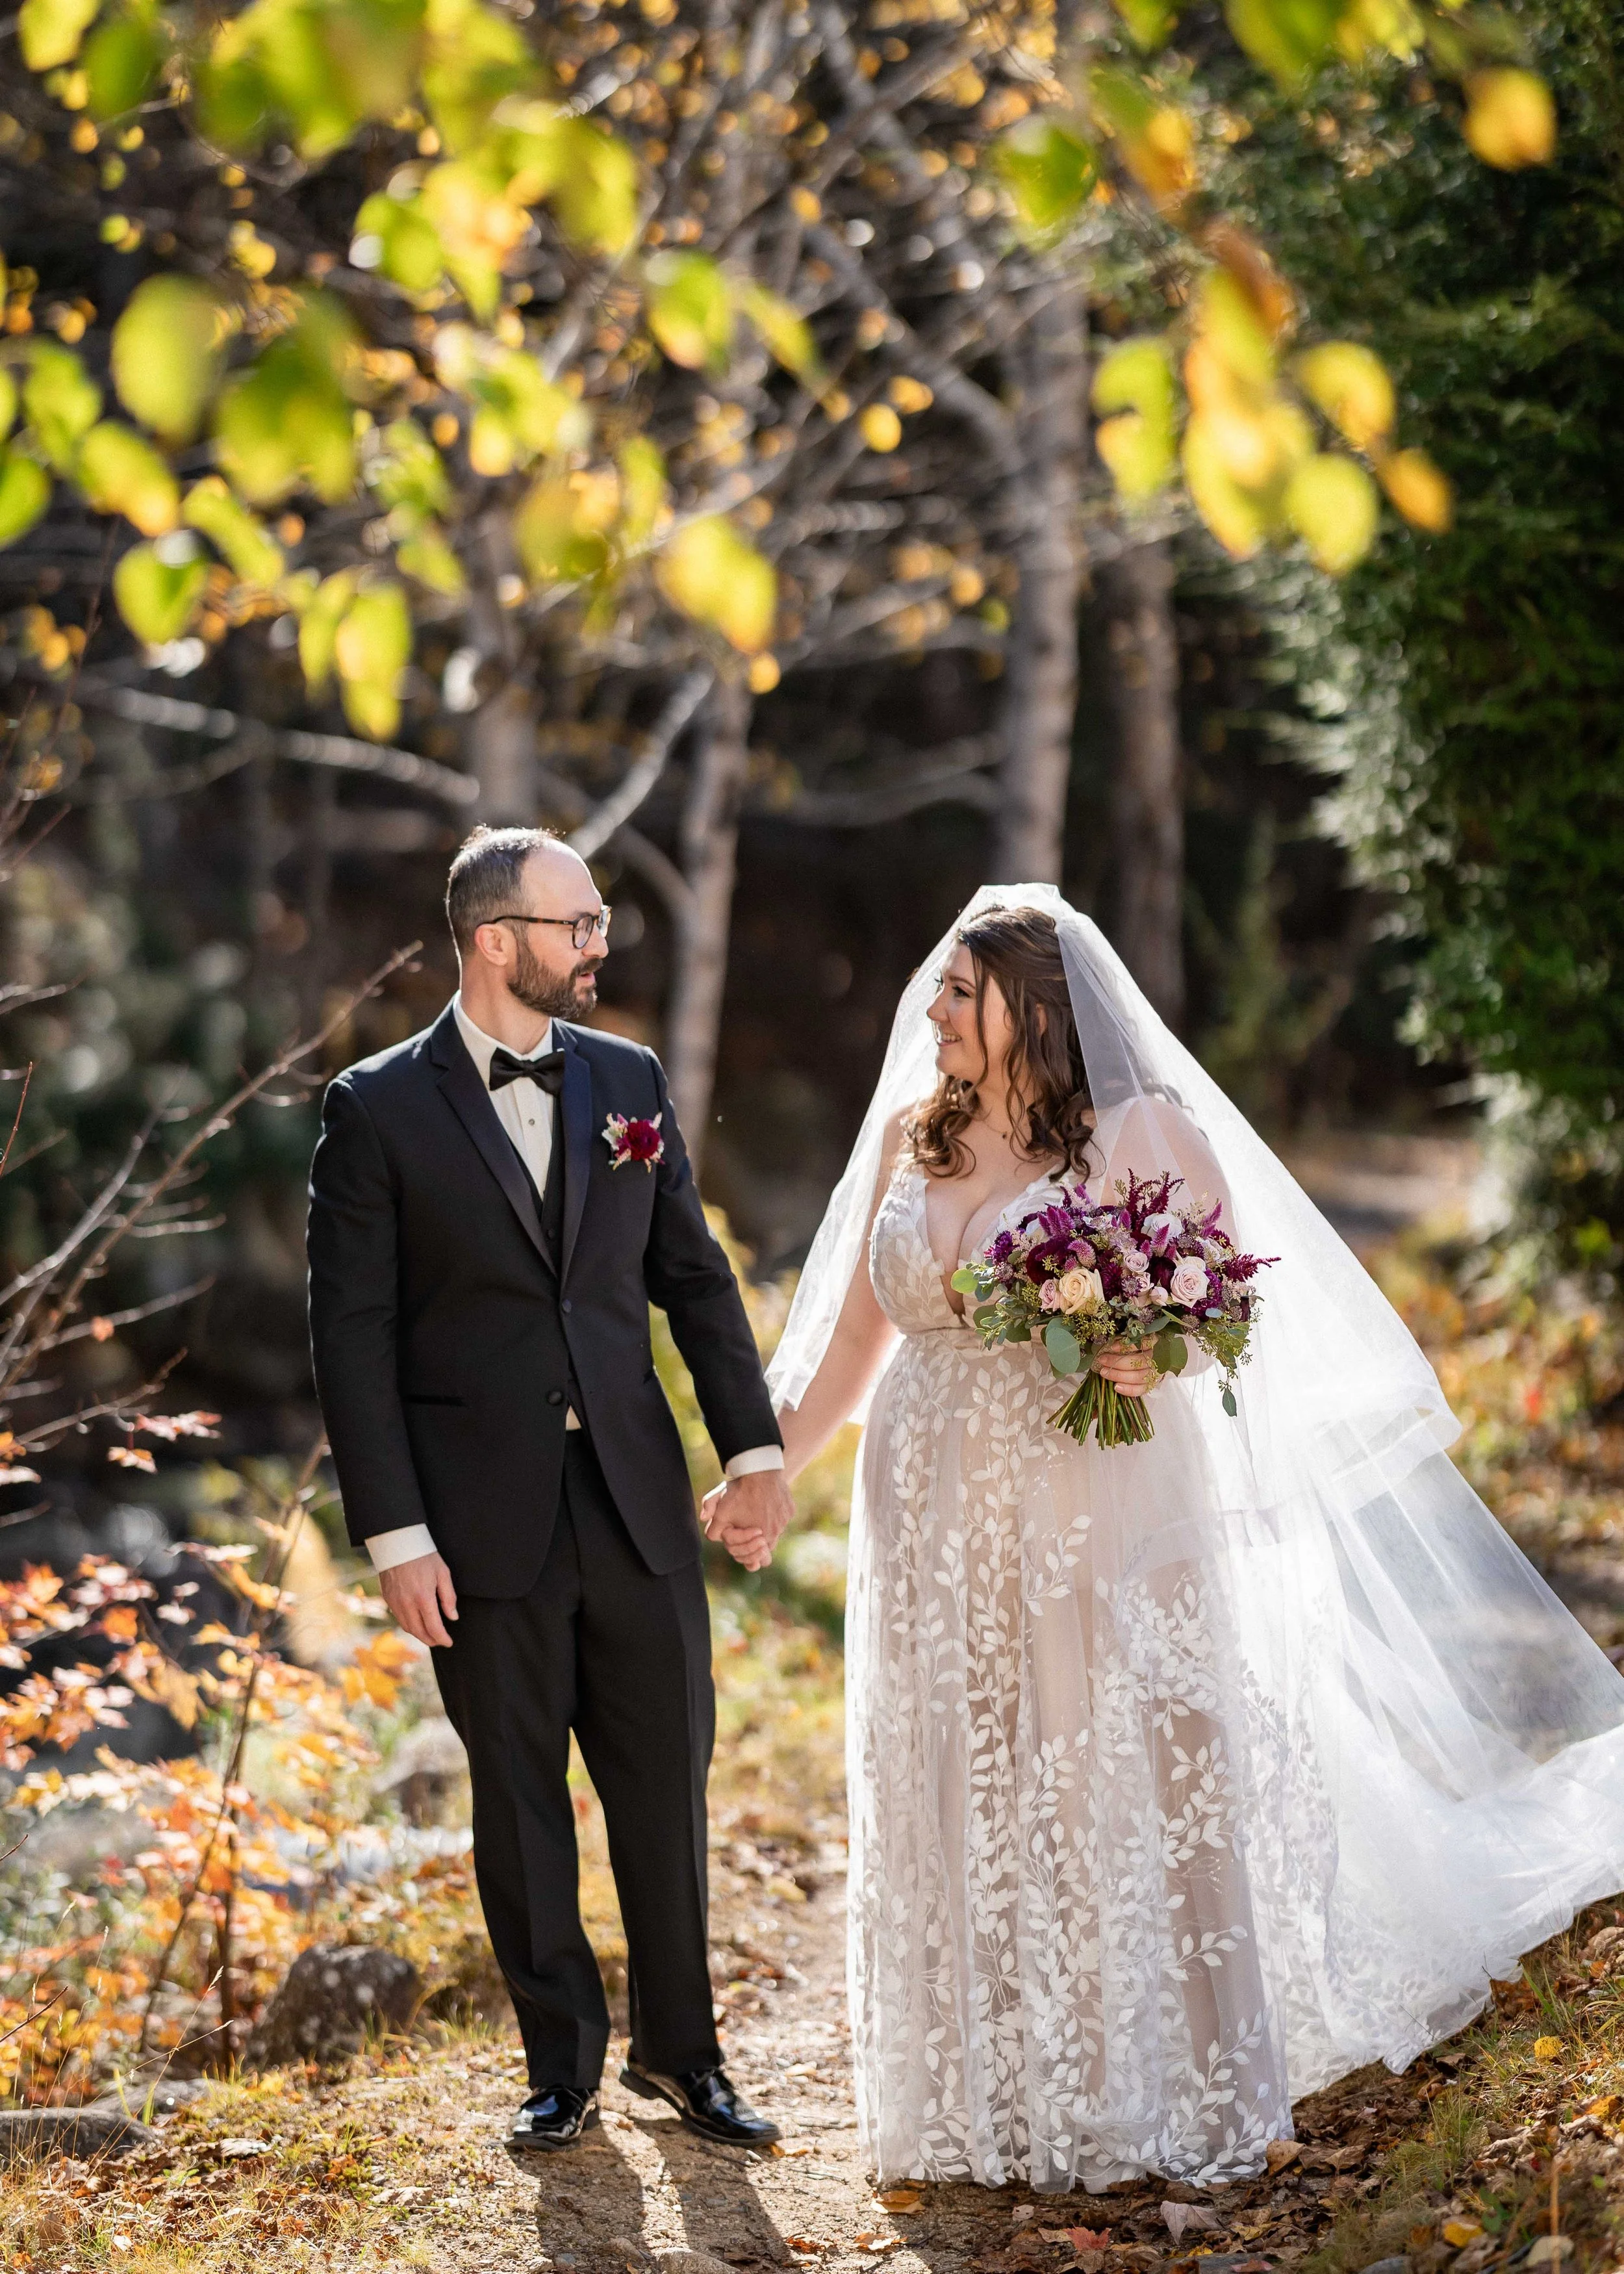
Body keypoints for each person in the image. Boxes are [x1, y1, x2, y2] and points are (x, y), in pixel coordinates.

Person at [705, 886, 1624, 2195]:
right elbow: (852, 1354)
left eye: (960, 994)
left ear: (1037, 1006)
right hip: (929, 1521)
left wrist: (1154, 1347)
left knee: (1117, 1760)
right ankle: (991, 2101)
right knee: (968, 1769)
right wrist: (761, 1471)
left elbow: (1224, 1310)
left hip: (1099, 1499)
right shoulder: (920, 1137)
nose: (932, 1011)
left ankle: (1157, 2084)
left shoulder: (1142, 1132)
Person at [307, 824, 793, 2154]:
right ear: (493, 941)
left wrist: (751, 1452)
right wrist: (395, 1534)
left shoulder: (628, 1079)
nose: (595, 944)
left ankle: (685, 2059)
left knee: (663, 1786)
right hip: (473, 1523)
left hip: (637, 1501)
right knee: (517, 1801)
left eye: (597, 921)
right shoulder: (375, 1110)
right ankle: (559, 2068)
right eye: (574, 923)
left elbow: (690, 1281)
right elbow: (348, 1342)